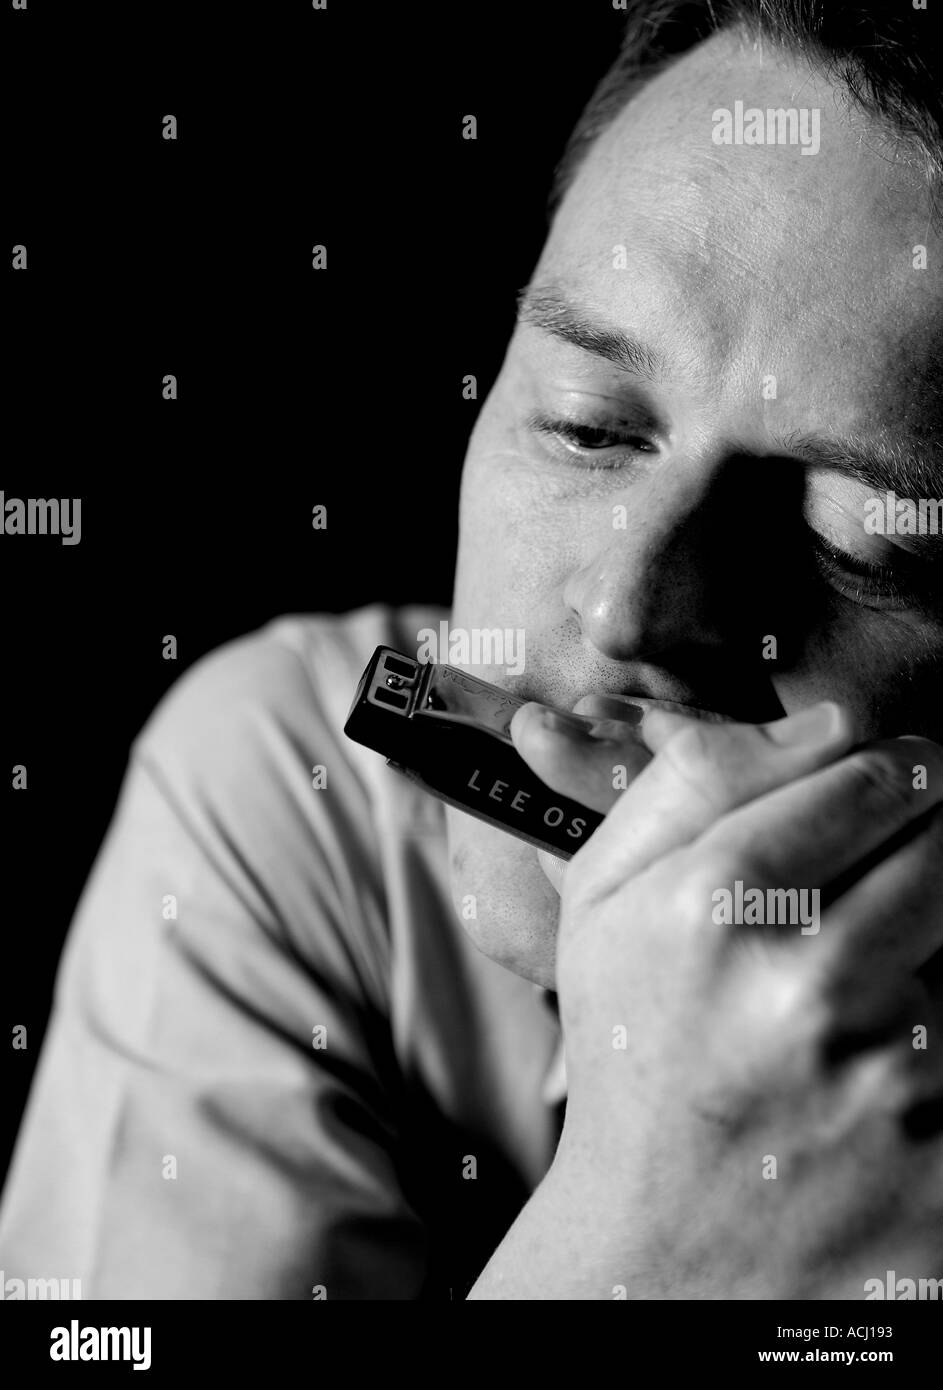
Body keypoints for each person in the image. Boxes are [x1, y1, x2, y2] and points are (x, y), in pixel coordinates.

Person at [3, 0, 943, 1299]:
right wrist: (643, 1244)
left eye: (861, 537)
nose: (624, 611)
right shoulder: (291, 785)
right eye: (590, 424)